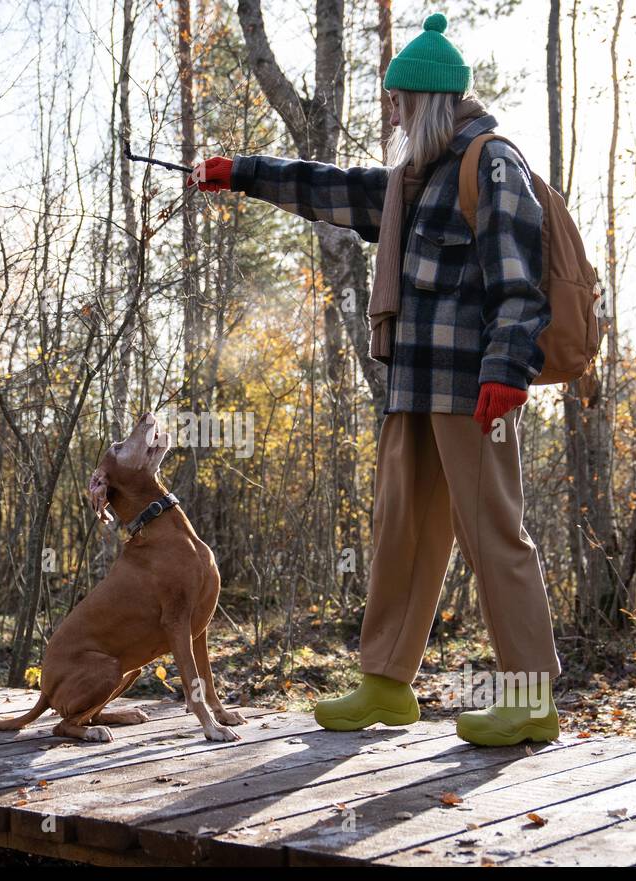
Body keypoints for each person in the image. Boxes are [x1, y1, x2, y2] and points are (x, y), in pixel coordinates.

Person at [187, 12, 562, 746]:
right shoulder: (409, 185)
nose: (388, 113)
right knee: (401, 537)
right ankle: (386, 686)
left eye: (396, 102)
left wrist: (507, 372)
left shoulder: (491, 164)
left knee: (493, 536)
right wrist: (242, 174)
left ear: (425, 101)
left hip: (475, 389)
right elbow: (330, 188)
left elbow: (521, 285)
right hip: (412, 390)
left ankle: (531, 699)